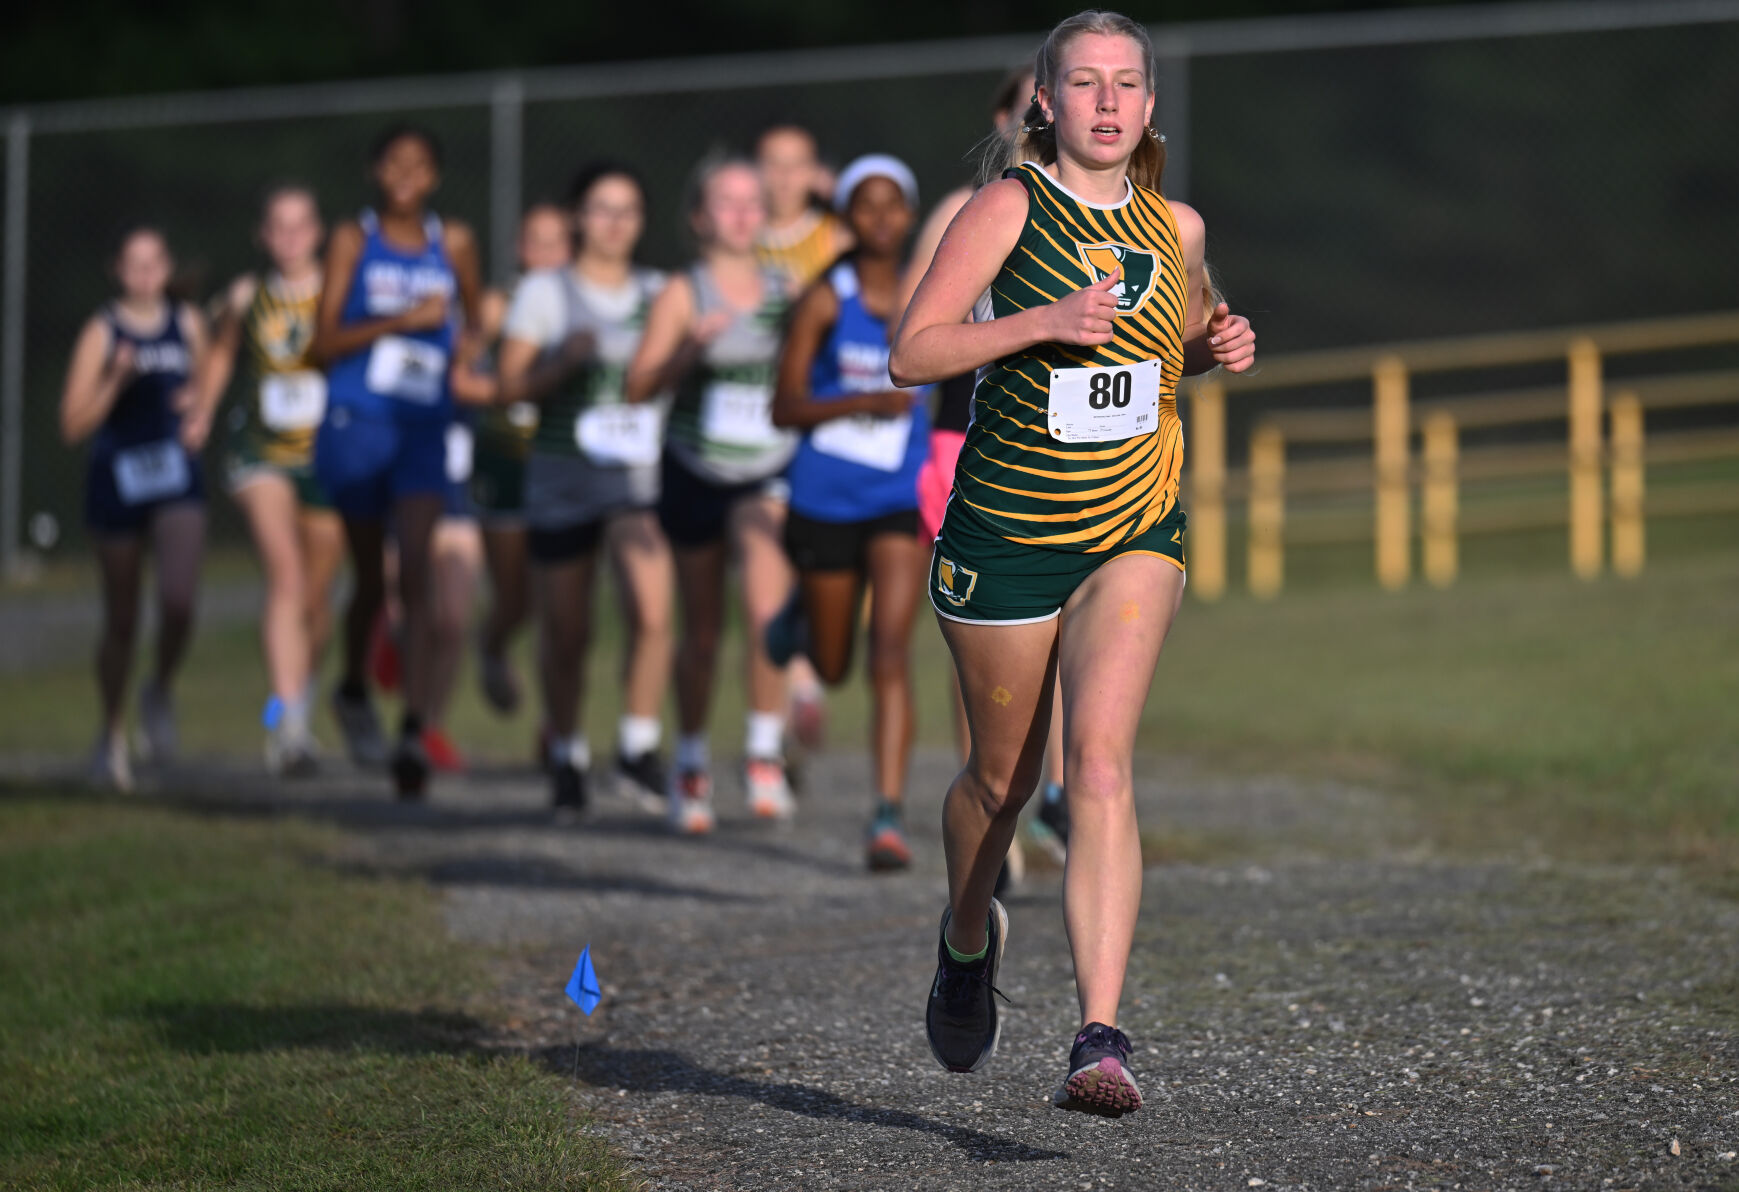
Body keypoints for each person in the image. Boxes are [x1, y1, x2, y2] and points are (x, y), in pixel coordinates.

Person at [890, 10, 1256, 1114]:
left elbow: (1165, 346)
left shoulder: (1174, 226)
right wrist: (1036, 319)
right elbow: (912, 351)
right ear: (1044, 100)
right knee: (998, 782)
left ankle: (1099, 1034)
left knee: (1096, 764)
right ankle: (965, 938)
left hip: (1131, 529)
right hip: (1002, 534)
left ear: (1149, 106)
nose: (1105, 102)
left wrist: (1212, 345)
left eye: (1125, 84)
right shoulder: (1003, 207)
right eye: (1083, 83)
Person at [905, 66, 1069, 874]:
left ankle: (1050, 796)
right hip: (964, 442)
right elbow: (914, 330)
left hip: (1067, 453)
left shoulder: (1111, 215)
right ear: (1006, 118)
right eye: (1031, 101)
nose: (1047, 113)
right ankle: (993, 787)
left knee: (1073, 628)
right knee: (994, 632)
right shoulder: (968, 210)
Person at [625, 154, 798, 834]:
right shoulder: (682, 292)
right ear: (699, 216)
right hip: (694, 466)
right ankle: (690, 762)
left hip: (767, 468)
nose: (740, 214)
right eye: (725, 202)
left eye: (751, 201)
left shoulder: (787, 289)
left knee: (765, 612)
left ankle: (762, 753)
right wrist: (688, 351)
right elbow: (637, 388)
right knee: (700, 633)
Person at [497, 164, 676, 812]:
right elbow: (507, 388)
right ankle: (567, 750)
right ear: (577, 217)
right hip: (562, 479)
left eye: (627, 209)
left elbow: (673, 377)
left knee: (653, 613)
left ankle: (635, 746)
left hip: (636, 481)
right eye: (601, 208)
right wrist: (560, 363)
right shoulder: (546, 292)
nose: (614, 223)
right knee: (567, 632)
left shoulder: (661, 292)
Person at [312, 124, 483, 799]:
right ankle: (353, 686)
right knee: (370, 582)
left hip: (422, 426)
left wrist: (464, 355)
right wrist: (399, 322)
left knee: (416, 565)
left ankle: (413, 727)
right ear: (374, 171)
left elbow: (476, 321)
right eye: (393, 163)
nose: (406, 175)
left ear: (435, 176)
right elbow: (323, 340)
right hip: (357, 419)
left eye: (419, 165)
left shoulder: (456, 242)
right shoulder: (354, 238)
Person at [768, 155, 929, 871]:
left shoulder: (932, 293)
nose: (881, 219)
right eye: (865, 206)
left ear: (911, 214)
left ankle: (887, 814)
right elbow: (784, 405)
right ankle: (797, 621)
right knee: (830, 667)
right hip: (825, 496)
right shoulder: (824, 298)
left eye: (893, 205)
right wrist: (862, 400)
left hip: (898, 497)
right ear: (845, 217)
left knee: (889, 651)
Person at [59, 226, 212, 790]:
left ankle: (160, 688)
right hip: (117, 476)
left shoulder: (188, 323)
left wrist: (201, 409)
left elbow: (208, 382)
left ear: (168, 267)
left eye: (155, 263)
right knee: (121, 619)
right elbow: (73, 424)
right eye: (134, 264)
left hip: (176, 475)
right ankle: (111, 730)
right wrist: (114, 379)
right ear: (118, 270)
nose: (146, 274)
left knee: (177, 600)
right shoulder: (101, 331)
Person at [204, 186, 348, 776]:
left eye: (300, 226)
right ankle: (285, 726)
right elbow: (218, 355)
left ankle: (292, 708)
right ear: (263, 236)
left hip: (328, 457)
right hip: (261, 453)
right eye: (277, 228)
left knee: (318, 600)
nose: (289, 238)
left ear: (318, 232)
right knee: (285, 578)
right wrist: (198, 411)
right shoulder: (245, 297)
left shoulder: (343, 293)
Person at [467, 203, 572, 722]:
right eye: (537, 240)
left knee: (561, 603)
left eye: (558, 241)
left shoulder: (585, 302)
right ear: (518, 248)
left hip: (563, 458)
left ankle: (555, 730)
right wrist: (514, 389)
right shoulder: (497, 305)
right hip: (504, 463)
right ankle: (492, 644)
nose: (548, 252)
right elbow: (457, 375)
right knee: (517, 598)